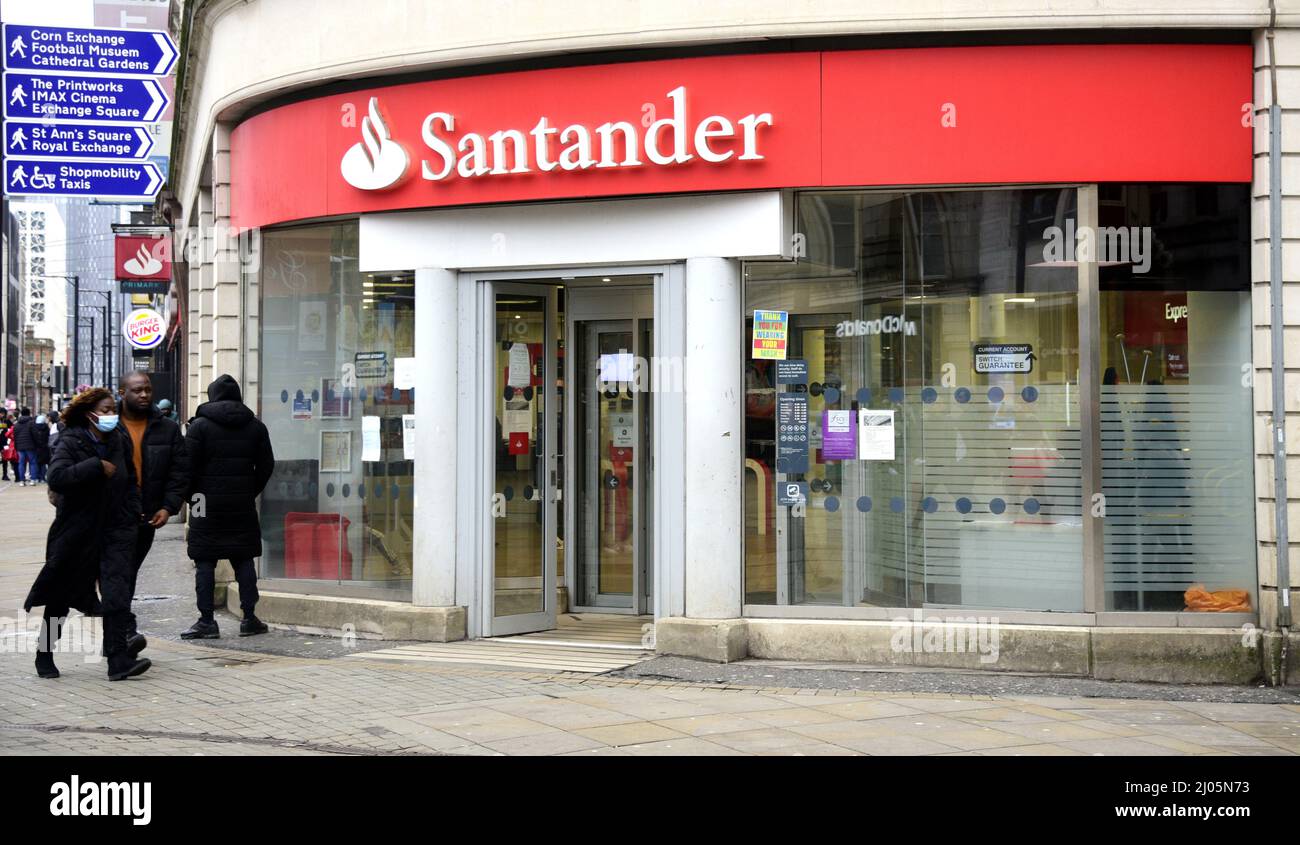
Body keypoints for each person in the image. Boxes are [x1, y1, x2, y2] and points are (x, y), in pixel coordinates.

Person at [24, 388, 150, 680]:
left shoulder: (118, 439)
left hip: (115, 528)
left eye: (112, 409)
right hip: (77, 531)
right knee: (60, 597)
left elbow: (130, 479)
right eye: (105, 410)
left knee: (116, 595)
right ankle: (44, 653)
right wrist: (94, 467)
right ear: (89, 413)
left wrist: (132, 512)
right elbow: (56, 477)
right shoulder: (71, 441)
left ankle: (118, 661)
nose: (110, 415)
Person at [181, 375, 274, 639]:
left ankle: (207, 621)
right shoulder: (256, 427)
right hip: (241, 502)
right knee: (243, 558)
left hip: (202, 503)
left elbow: (186, 468)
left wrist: (192, 497)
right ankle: (249, 618)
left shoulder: (199, 427)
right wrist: (249, 490)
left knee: (204, 560)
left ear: (212, 396)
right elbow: (267, 466)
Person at [116, 372, 189, 637]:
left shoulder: (166, 428)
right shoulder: (107, 424)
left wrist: (168, 506)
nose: (144, 395)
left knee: (127, 574)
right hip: (109, 517)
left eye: (147, 389)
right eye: (137, 390)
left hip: (144, 515)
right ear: (122, 393)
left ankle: (118, 639)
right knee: (112, 576)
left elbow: (180, 472)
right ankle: (120, 634)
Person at [13, 407, 37, 485]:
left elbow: (15, 437)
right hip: (30, 446)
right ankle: (32, 480)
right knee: (32, 462)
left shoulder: (16, 424)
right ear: (29, 413)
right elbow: (34, 434)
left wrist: (16, 447)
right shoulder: (32, 422)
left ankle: (22, 481)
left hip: (20, 446)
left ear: (21, 414)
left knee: (21, 463)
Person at [33, 412, 50, 483]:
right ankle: (42, 478)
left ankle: (37, 477)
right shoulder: (47, 428)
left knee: (36, 463)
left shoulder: (34, 428)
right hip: (45, 448)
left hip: (36, 448)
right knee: (43, 463)